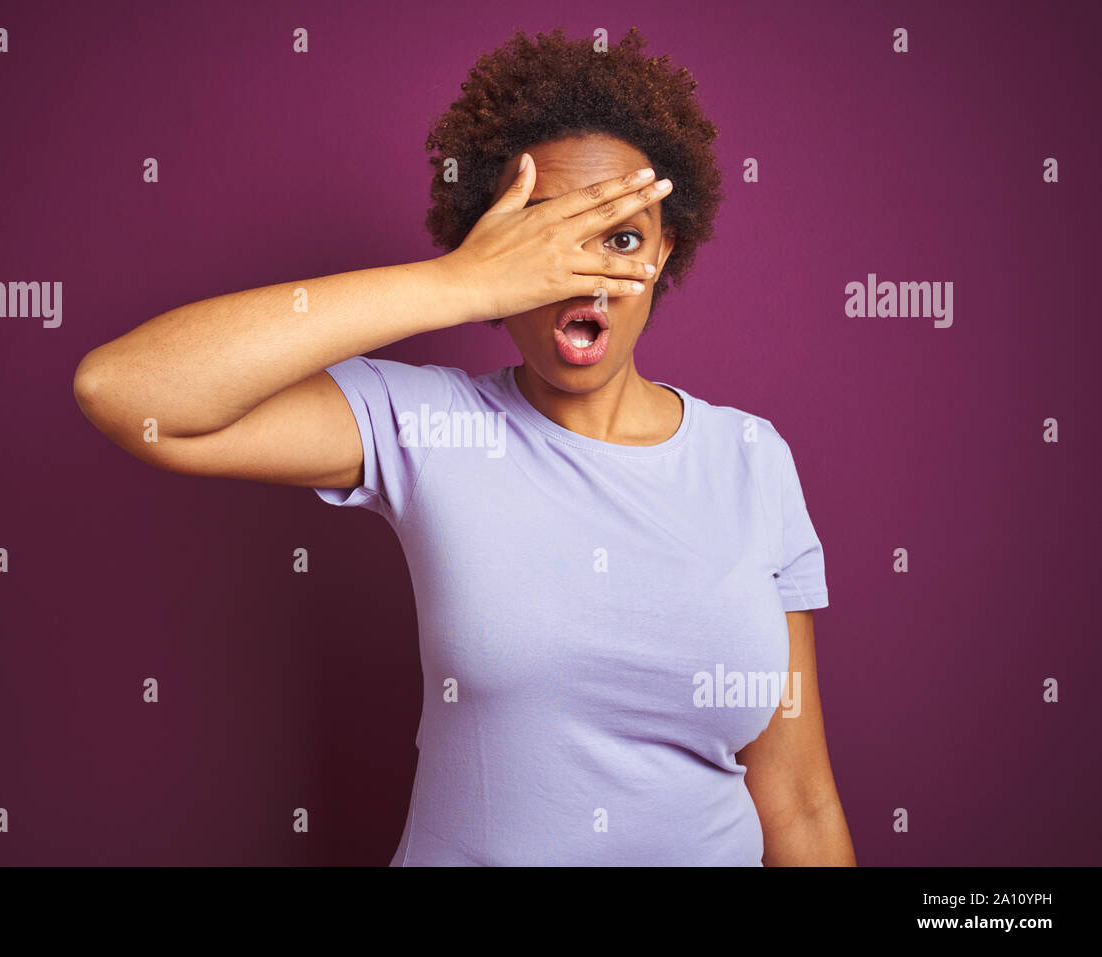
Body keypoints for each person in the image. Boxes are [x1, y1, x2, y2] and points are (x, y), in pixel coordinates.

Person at [73, 27, 855, 866]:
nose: (580, 274)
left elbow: (801, 804)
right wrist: (460, 281)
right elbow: (125, 392)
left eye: (621, 237)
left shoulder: (751, 459)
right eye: (544, 238)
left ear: (667, 251)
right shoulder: (429, 427)